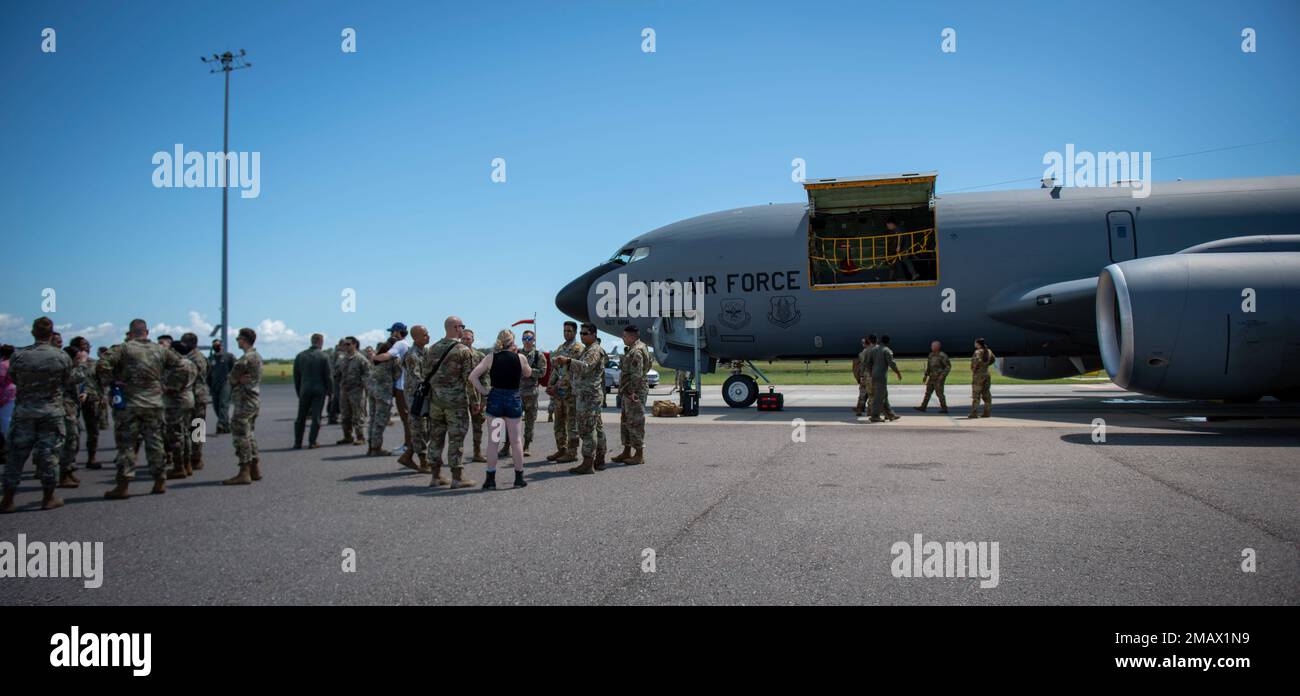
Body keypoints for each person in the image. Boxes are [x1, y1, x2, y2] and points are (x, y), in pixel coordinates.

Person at [98, 318, 183, 499]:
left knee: (127, 445)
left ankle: (123, 484)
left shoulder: (123, 348)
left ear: (130, 332)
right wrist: (168, 385)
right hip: (154, 403)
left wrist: (112, 382)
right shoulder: (160, 350)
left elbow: (102, 365)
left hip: (129, 404)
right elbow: (181, 366)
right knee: (155, 442)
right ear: (147, 332)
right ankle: (160, 480)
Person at [1, 318, 74, 513]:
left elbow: (14, 377)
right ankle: (48, 498)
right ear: (52, 334)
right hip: (51, 411)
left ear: (33, 333)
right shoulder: (61, 356)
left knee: (15, 455)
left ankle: (7, 500)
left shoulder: (19, 355)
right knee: (49, 455)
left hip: (24, 411)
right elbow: (67, 381)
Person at [421, 316, 481, 489]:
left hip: (436, 401)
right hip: (456, 403)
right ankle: (457, 477)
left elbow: (425, 373)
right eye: (462, 326)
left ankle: (436, 476)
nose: (463, 329)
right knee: (456, 439)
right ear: (456, 327)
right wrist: (475, 402)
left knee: (436, 438)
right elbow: (469, 379)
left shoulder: (432, 349)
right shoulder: (463, 350)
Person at [468, 329, 533, 490]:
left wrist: (484, 391)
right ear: (512, 342)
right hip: (513, 399)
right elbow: (528, 373)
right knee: (516, 440)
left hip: (495, 400)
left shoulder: (491, 357)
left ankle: (490, 479)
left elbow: (472, 376)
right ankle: (519, 478)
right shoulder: (520, 357)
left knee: (494, 441)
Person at [555, 323, 607, 474]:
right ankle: (599, 459)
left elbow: (586, 366)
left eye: (585, 333)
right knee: (596, 428)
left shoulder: (595, 350)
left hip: (588, 396)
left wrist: (568, 361)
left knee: (587, 429)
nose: (582, 336)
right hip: (587, 395)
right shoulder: (587, 349)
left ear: (593, 334)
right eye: (581, 334)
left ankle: (588, 463)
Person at [223, 328, 263, 485]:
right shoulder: (257, 356)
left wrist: (236, 380)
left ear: (244, 339)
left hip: (244, 400)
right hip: (253, 400)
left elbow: (231, 379)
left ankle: (244, 471)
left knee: (241, 436)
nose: (237, 341)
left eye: (238, 338)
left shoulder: (245, 359)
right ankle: (255, 469)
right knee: (250, 434)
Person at [371, 323, 414, 464]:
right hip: (400, 386)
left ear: (398, 332)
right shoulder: (404, 345)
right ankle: (407, 444)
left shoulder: (400, 344)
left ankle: (408, 446)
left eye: (392, 332)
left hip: (402, 387)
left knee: (406, 417)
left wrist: (374, 356)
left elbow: (387, 356)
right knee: (405, 417)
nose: (390, 335)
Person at [500, 329, 546, 458]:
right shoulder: (515, 353)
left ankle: (526, 446)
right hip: (515, 392)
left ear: (534, 340)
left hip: (531, 392)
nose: (527, 341)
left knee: (530, 421)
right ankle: (507, 446)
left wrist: (529, 371)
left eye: (529, 339)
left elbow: (542, 372)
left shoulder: (538, 355)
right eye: (524, 338)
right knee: (511, 421)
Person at [610, 325, 651, 465]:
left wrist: (632, 391)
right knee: (626, 421)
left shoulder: (636, 351)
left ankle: (639, 455)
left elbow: (637, 374)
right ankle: (627, 451)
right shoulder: (638, 348)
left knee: (635, 422)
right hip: (629, 390)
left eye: (625, 336)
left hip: (634, 391)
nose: (623, 338)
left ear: (632, 336)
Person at [545, 321, 583, 464]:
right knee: (558, 423)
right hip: (558, 393)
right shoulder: (561, 348)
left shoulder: (578, 349)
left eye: (569, 331)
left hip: (571, 392)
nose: (566, 333)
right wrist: (550, 385)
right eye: (565, 330)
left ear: (574, 332)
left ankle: (572, 452)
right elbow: (556, 369)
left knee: (571, 424)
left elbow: (573, 371)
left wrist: (559, 385)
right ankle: (561, 449)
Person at [162, 340, 198, 479]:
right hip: (190, 398)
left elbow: (173, 387)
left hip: (179, 401)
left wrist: (163, 388)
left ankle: (183, 464)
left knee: (180, 433)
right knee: (187, 432)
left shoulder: (178, 364)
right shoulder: (192, 362)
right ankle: (190, 462)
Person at [292, 333, 333, 449]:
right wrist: (331, 392)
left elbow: (296, 376)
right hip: (319, 389)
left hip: (304, 388)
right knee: (316, 417)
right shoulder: (324, 356)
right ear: (320, 342)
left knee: (301, 416)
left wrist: (299, 390)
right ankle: (312, 441)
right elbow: (328, 376)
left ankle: (298, 442)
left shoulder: (300, 356)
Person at [56, 343, 88, 489]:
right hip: (65, 408)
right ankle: (63, 474)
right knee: (69, 440)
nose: (78, 360)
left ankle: (68, 471)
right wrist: (83, 363)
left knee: (74, 438)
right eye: (76, 358)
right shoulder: (65, 369)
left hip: (71, 407)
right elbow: (79, 376)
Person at [401, 325, 432, 473]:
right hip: (416, 397)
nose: (428, 336)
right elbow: (418, 377)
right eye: (425, 335)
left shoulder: (425, 351)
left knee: (427, 429)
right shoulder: (412, 355)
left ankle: (408, 456)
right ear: (415, 338)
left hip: (425, 395)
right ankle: (423, 461)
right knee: (419, 428)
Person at [180, 332, 210, 470]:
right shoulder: (201, 357)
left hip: (194, 396)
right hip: (200, 396)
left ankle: (194, 457)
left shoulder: (193, 359)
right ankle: (195, 457)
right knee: (197, 427)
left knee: (193, 428)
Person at [366, 340, 400, 456]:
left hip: (372, 391)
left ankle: (371, 446)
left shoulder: (375, 359)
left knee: (372, 419)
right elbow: (397, 374)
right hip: (384, 393)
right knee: (380, 422)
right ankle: (376, 448)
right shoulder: (392, 359)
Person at [461, 329, 489, 463]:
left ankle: (477, 452)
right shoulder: (456, 354)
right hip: (460, 396)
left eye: (468, 338)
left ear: (473, 339)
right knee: (459, 427)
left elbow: (485, 378)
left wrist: (484, 397)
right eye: (463, 339)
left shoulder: (479, 355)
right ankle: (456, 455)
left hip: (477, 396)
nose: (466, 341)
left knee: (478, 425)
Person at [335, 337, 369, 445]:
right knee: (345, 415)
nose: (346, 346)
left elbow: (367, 374)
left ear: (354, 345)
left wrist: (362, 385)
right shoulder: (342, 359)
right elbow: (337, 373)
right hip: (344, 390)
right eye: (344, 344)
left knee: (358, 415)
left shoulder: (361, 359)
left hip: (357, 391)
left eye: (348, 344)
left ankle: (360, 437)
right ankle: (347, 436)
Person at [865, 334, 902, 423]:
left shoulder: (874, 349)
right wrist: (898, 372)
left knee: (884, 394)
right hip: (881, 376)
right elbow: (892, 363)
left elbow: (868, 363)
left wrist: (871, 372)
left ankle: (890, 414)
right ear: (888, 342)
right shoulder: (887, 351)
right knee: (879, 397)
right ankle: (875, 416)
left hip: (874, 375)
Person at [916, 341, 952, 413]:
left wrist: (943, 375)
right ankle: (923, 407)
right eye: (931, 346)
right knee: (928, 392)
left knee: (939, 393)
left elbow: (948, 366)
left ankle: (944, 408)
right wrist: (926, 375)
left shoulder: (942, 355)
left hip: (939, 378)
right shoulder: (931, 355)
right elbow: (929, 367)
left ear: (937, 347)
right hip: (931, 377)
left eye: (933, 346)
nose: (931, 347)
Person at [209, 338, 235, 434]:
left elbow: (235, 369)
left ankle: (220, 423)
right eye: (215, 345)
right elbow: (208, 374)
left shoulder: (229, 356)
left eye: (218, 345)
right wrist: (209, 385)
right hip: (214, 384)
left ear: (222, 346)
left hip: (226, 383)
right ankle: (226, 425)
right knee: (216, 406)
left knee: (223, 404)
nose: (217, 347)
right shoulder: (211, 359)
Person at [885, 217, 920, 281]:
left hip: (903, 248)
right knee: (899, 262)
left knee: (903, 261)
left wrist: (898, 246)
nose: (888, 227)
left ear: (892, 224)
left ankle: (912, 275)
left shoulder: (898, 229)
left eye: (888, 225)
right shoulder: (897, 229)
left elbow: (900, 237)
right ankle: (892, 278)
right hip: (903, 248)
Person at [969, 338, 996, 418]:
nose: (974, 344)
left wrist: (974, 370)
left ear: (978, 344)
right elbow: (993, 359)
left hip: (978, 375)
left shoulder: (977, 352)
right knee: (986, 393)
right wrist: (985, 366)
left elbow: (975, 363)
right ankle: (987, 412)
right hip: (986, 374)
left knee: (976, 394)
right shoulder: (989, 351)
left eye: (975, 343)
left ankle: (974, 413)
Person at [325, 339, 343, 425]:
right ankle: (335, 417)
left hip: (334, 378)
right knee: (339, 399)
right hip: (338, 379)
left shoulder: (334, 353)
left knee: (335, 399)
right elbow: (338, 367)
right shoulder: (339, 355)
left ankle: (332, 417)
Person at [852, 336, 870, 416]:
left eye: (863, 342)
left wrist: (861, 376)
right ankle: (870, 410)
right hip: (873, 375)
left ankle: (859, 409)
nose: (862, 344)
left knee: (863, 393)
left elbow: (862, 365)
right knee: (872, 394)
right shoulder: (875, 351)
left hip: (865, 375)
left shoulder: (862, 353)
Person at [0, 344, 15, 437]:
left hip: (5, 394)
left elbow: (1, 379)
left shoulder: (3, 364)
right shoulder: (14, 363)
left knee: (4, 418)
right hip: (14, 393)